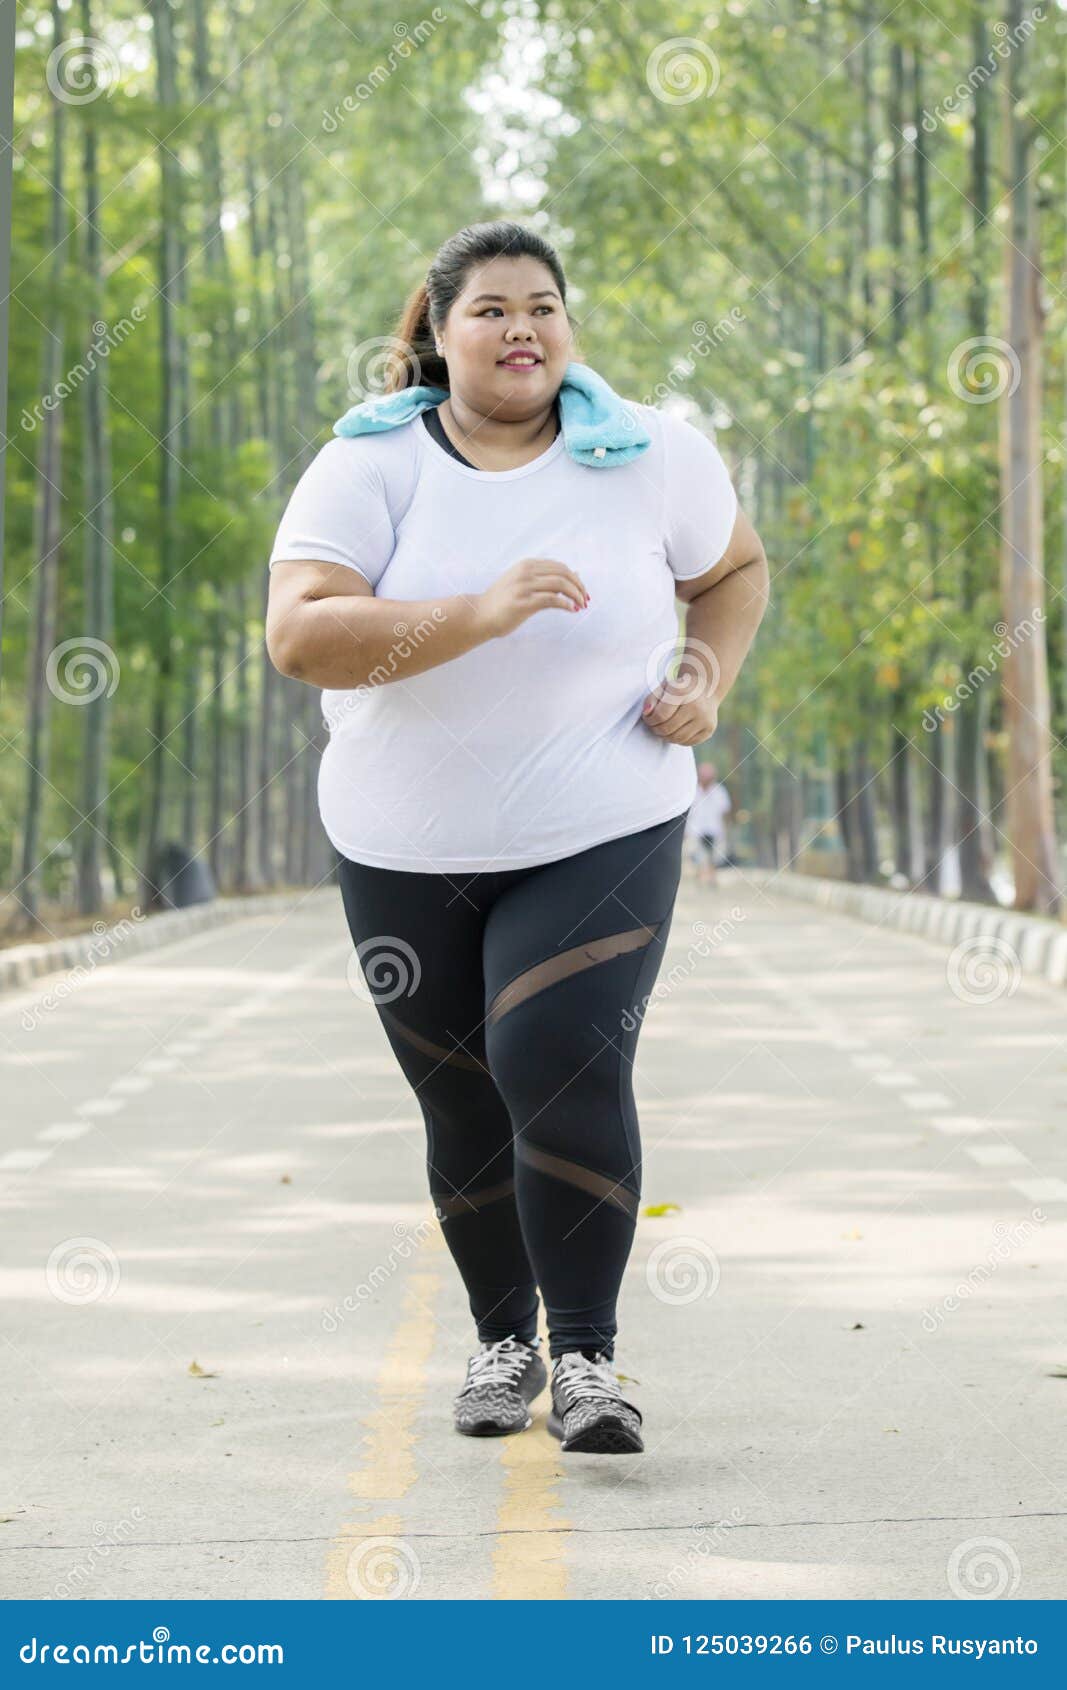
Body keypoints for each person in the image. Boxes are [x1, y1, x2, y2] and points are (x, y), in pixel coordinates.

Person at [265, 220, 769, 1455]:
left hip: (603, 819)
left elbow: (733, 571)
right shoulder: (368, 466)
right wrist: (476, 613)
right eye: (489, 308)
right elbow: (300, 634)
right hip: (401, 841)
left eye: (542, 305)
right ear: (438, 335)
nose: (520, 328)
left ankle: (588, 1360)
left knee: (553, 1050)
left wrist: (705, 677)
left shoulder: (651, 452)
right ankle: (505, 1339)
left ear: (567, 327)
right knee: (462, 1101)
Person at [685, 762, 732, 885]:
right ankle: (700, 878)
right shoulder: (692, 791)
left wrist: (726, 830)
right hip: (696, 829)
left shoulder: (720, 791)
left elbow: (725, 812)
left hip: (714, 829)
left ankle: (712, 878)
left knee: (714, 857)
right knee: (698, 855)